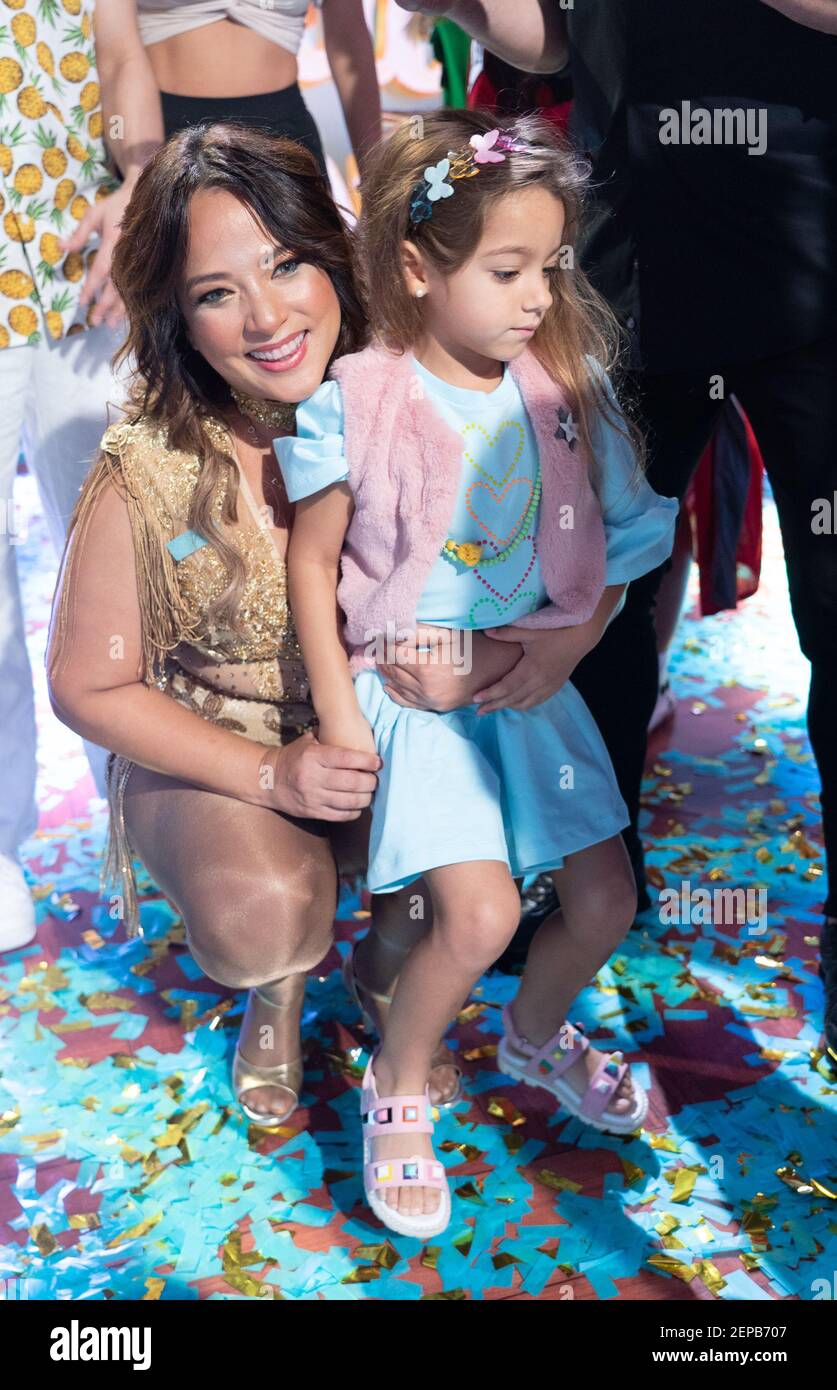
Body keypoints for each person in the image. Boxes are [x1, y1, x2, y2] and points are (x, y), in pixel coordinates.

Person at [397, 0, 837, 1061]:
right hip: (635, 257)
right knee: (584, 589)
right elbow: (560, 39)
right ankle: (588, 884)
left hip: (814, 248)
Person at [276, 110, 678, 1237]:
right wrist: (342, 718)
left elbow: (635, 536)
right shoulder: (354, 396)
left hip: (528, 693)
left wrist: (561, 642)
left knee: (607, 898)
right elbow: (316, 565)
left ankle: (535, 1038)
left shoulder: (562, 391)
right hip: (414, 698)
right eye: (508, 271)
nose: (539, 296)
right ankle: (398, 1083)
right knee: (481, 911)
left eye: (549, 266)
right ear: (418, 268)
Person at [45, 123, 488, 1129]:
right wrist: (270, 776)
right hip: (217, 751)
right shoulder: (150, 459)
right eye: (216, 292)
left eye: (286, 264)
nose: (266, 315)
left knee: (479, 850)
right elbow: (84, 684)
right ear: (181, 319)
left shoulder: (421, 395)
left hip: (387, 731)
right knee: (267, 917)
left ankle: (382, 976)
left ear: (334, 258)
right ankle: (280, 988)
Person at [0, 0, 162, 953]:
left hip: (80, 273)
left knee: (118, 548)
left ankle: (145, 796)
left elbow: (119, 50)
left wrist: (139, 179)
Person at [132, 0, 381, 174]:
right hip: (163, 129)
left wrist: (374, 178)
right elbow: (116, 54)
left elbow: (350, 48)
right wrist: (135, 167)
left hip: (283, 129)